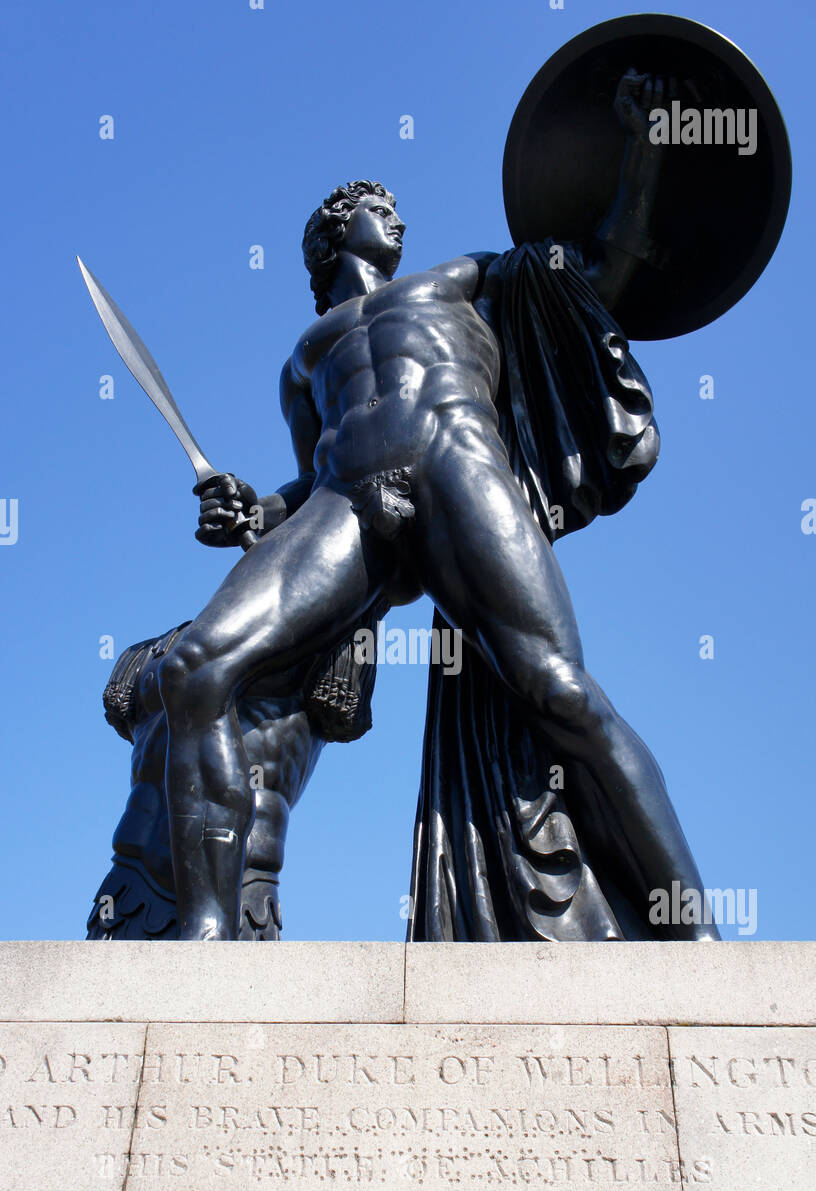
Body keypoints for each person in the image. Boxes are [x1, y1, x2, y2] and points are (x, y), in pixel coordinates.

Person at [159, 72, 719, 942]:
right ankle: (203, 937)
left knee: (559, 693)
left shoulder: (466, 277)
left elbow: (607, 266)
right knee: (195, 667)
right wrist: (255, 510)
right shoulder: (304, 359)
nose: (395, 212)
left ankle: (693, 933)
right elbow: (311, 477)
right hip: (350, 505)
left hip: (460, 466)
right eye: (374, 203)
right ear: (335, 229)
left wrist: (644, 144)